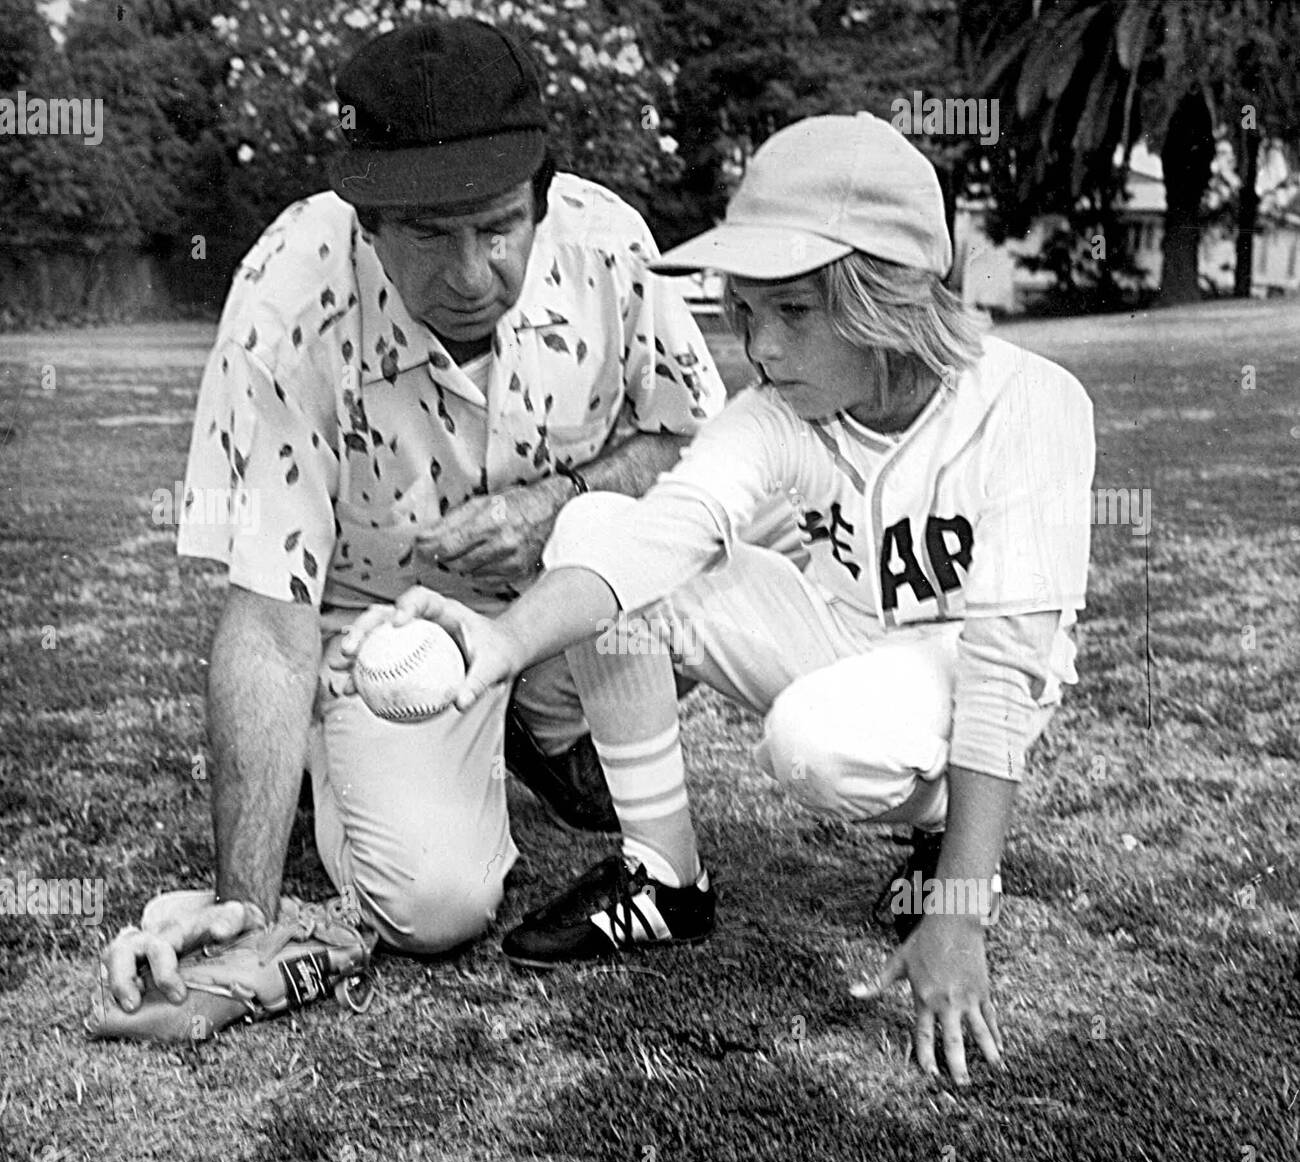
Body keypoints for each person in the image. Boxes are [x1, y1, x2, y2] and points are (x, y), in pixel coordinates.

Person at [342, 113, 1097, 1084]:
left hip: (966, 678)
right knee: (596, 527)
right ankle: (665, 879)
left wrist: (961, 907)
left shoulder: (1029, 404)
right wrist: (496, 643)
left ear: (886, 298)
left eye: (791, 310)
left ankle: (940, 838)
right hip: (844, 638)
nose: (758, 346)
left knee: (816, 741)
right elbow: (668, 532)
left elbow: (1002, 667)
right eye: (744, 311)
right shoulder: (779, 412)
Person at [96, 17, 783, 1016]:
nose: (471, 275)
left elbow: (695, 444)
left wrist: (560, 501)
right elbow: (271, 617)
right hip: (383, 627)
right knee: (435, 907)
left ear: (544, 200)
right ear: (366, 220)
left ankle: (532, 733)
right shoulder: (287, 296)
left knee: (662, 674)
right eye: (428, 234)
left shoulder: (610, 246)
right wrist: (246, 907)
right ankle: (351, 760)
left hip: (555, 604)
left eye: (499, 227)